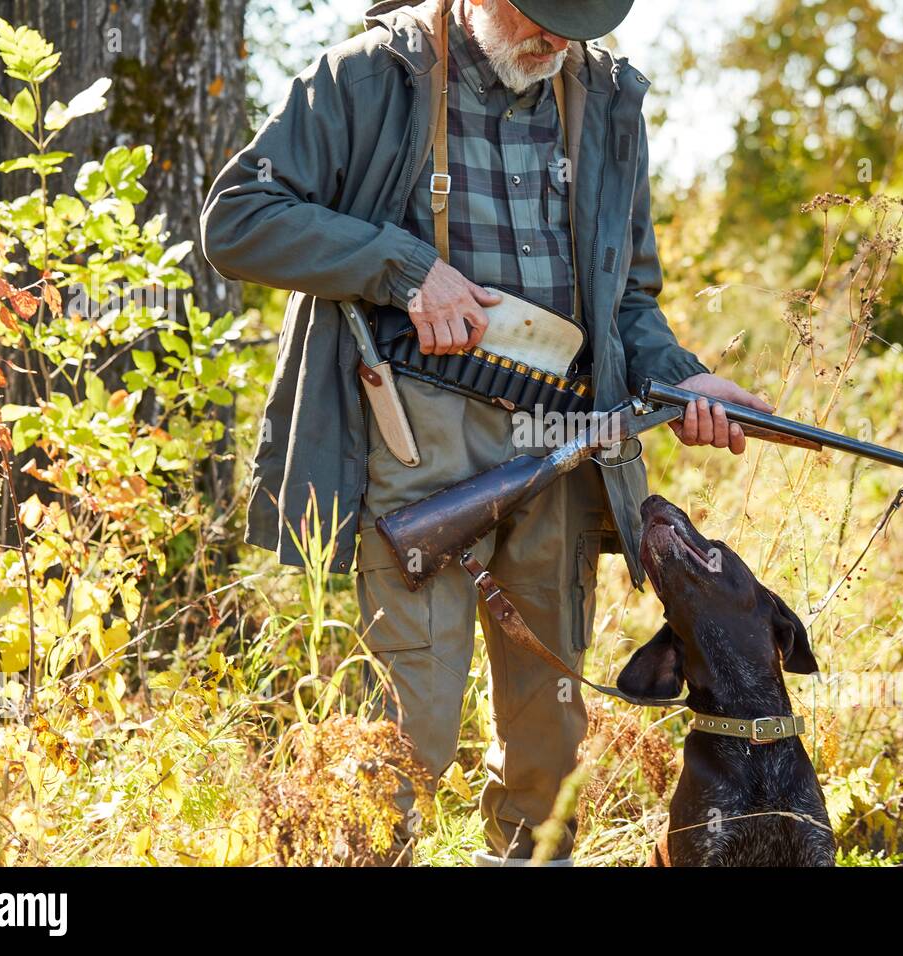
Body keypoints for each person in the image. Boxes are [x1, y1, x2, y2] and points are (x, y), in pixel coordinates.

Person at [200, 0, 770, 865]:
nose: (556, 39)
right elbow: (237, 220)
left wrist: (682, 377)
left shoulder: (607, 97)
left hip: (567, 437)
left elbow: (627, 303)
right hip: (414, 440)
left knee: (550, 741)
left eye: (576, 21)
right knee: (405, 729)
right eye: (539, 12)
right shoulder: (364, 76)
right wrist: (404, 270)